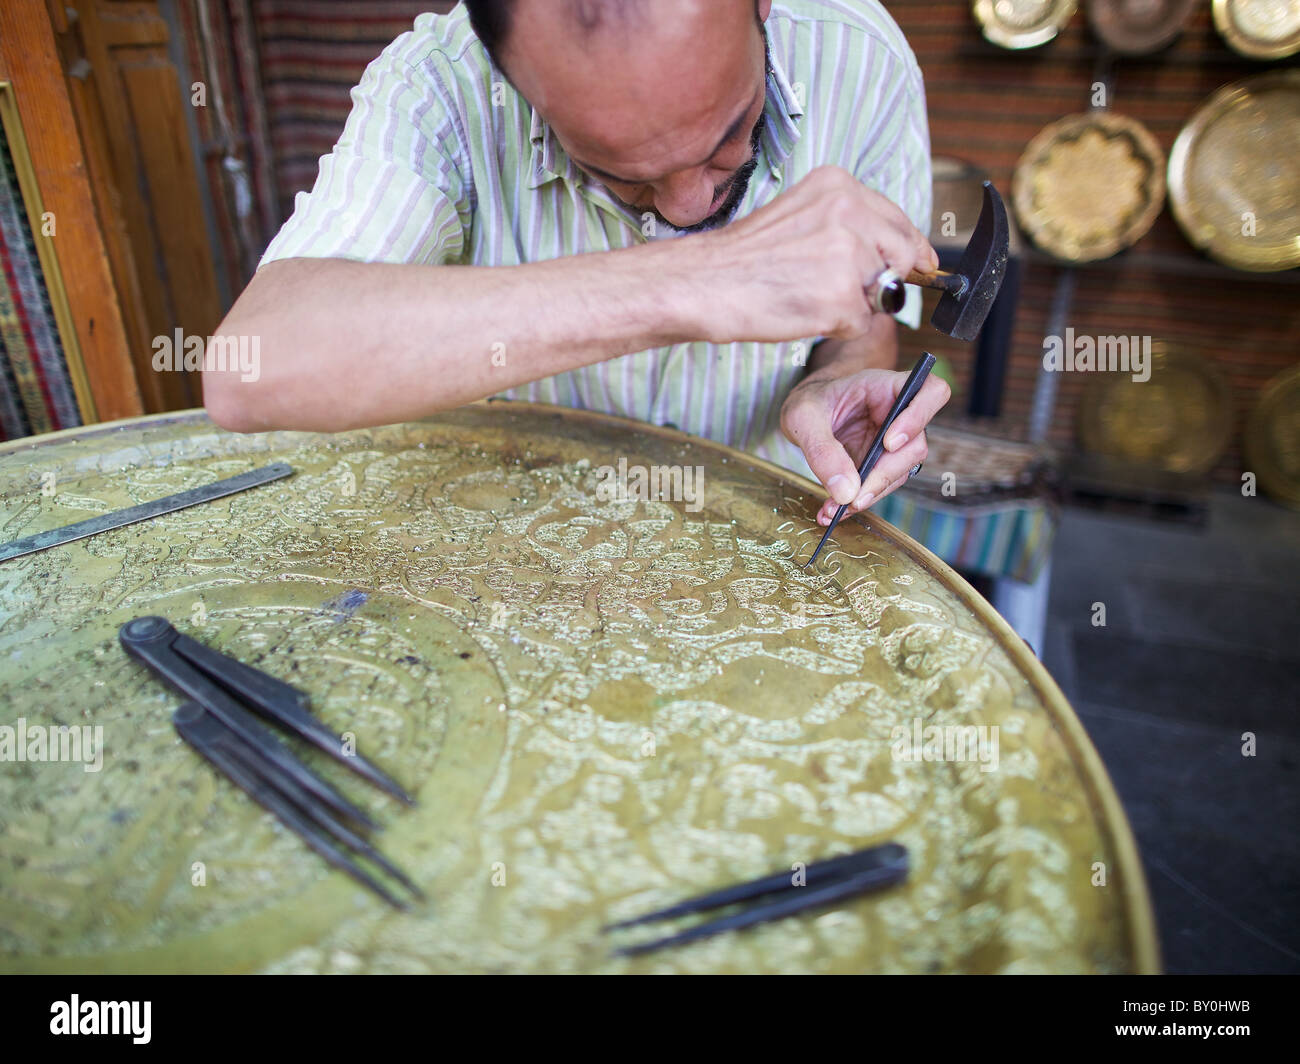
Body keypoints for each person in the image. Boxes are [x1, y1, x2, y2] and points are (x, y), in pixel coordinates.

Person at [203, 0, 950, 525]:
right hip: (513, 540)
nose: (688, 207)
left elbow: (869, 319)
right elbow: (251, 368)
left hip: (761, 531)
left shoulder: (864, 64)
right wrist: (696, 280)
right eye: (624, 173)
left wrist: (834, 384)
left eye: (728, 136)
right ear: (515, 83)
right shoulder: (443, 87)